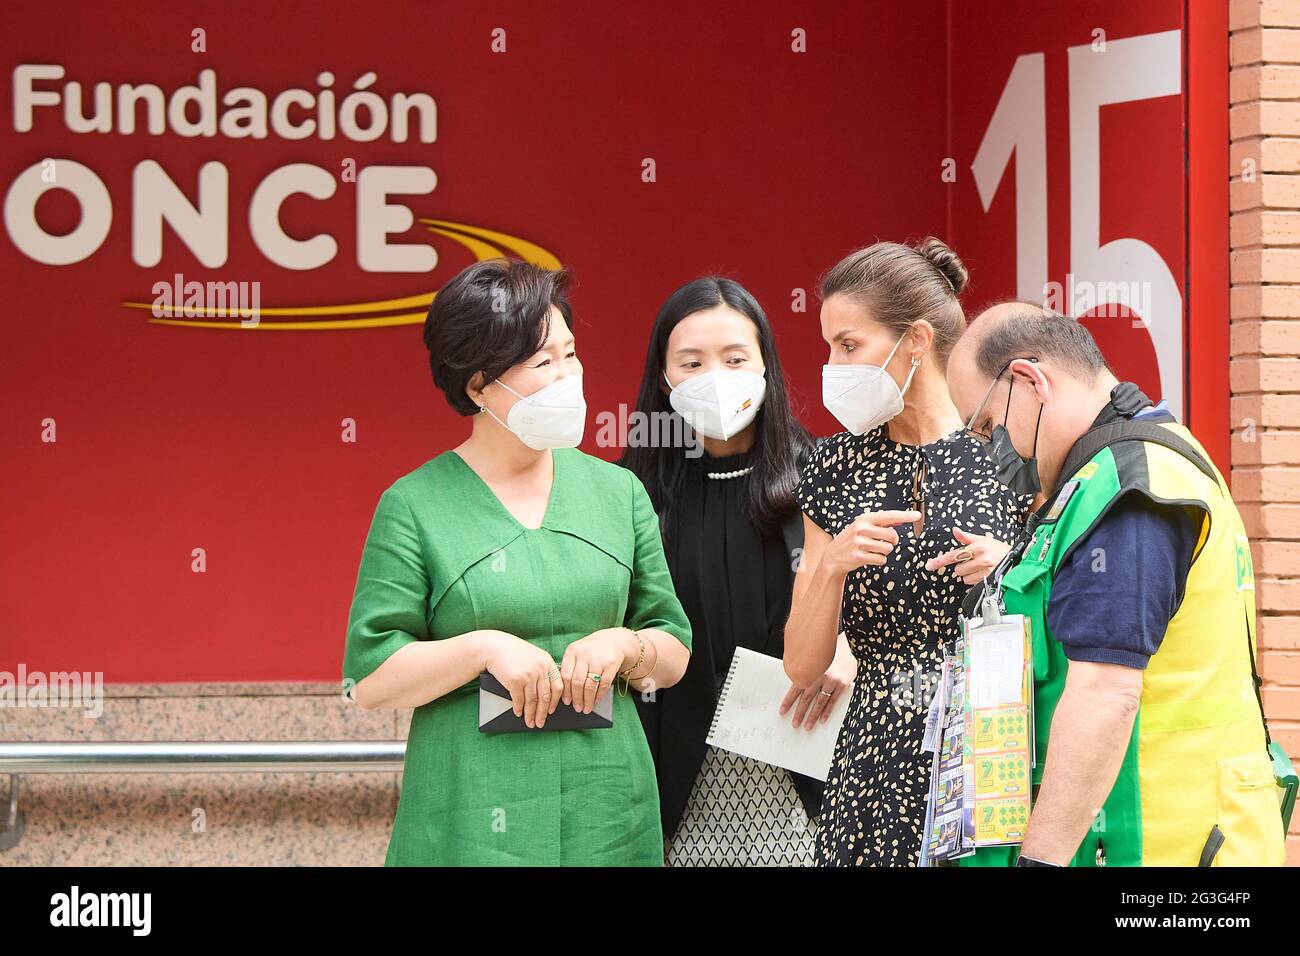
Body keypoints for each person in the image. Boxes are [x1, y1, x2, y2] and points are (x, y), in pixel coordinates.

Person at [341, 257, 693, 866]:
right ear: (478, 386)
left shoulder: (619, 493)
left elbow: (673, 649)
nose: (569, 376)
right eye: (542, 363)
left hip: (605, 806)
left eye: (571, 354)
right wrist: (482, 649)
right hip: (470, 810)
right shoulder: (415, 505)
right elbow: (369, 680)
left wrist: (624, 647)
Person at [947, 301, 1287, 867]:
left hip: (1164, 845)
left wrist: (1041, 861)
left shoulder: (1129, 486)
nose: (989, 449)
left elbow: (1106, 692)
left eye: (986, 425)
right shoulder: (1121, 470)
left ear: (1029, 380)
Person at [785, 238, 1032, 866]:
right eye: (829, 347)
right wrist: (834, 566)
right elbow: (802, 666)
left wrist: (1008, 564)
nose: (833, 365)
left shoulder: (1010, 454)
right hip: (872, 750)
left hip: (988, 742)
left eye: (848, 345)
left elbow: (1063, 612)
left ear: (916, 340)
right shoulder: (835, 464)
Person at [619, 277, 855, 866]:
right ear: (664, 376)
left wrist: (850, 648)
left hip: (807, 767)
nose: (714, 377)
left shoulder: (826, 476)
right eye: (691, 363)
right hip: (674, 772)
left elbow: (880, 603)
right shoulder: (628, 493)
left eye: (734, 358)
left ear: (765, 366)